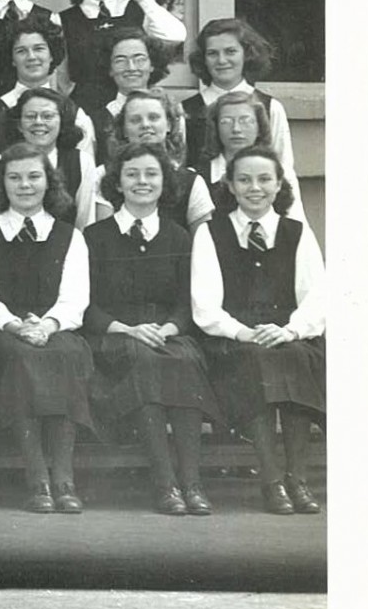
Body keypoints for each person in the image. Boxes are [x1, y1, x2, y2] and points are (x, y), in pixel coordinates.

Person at [84, 142, 220, 515]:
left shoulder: (179, 236)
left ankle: (192, 483)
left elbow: (186, 299)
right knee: (146, 364)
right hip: (114, 338)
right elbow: (86, 304)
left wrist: (172, 327)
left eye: (151, 174)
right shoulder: (95, 237)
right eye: (132, 174)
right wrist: (124, 329)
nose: (141, 181)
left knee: (184, 363)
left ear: (164, 182)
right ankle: (166, 485)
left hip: (168, 333)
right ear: (117, 182)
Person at [192, 147, 327, 516]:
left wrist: (290, 330)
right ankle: (272, 482)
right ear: (231, 186)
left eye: (265, 179)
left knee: (297, 357)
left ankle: (297, 480)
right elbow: (205, 306)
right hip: (234, 342)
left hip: (287, 335)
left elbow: (317, 296)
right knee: (259, 362)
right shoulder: (210, 233)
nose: (255, 187)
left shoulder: (296, 232)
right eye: (245, 180)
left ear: (279, 184)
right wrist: (243, 332)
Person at [0, 142, 96, 514]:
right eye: (15, 177)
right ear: (1, 184)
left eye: (34, 176)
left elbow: (75, 299)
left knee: (68, 353)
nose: (25, 185)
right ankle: (37, 477)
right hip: (1, 333)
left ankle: (64, 477)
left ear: (48, 182)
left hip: (53, 329)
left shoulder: (70, 236)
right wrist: (15, 326)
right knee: (22, 358)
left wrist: (49, 325)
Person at [58, 0, 186, 122]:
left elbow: (176, 35)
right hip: (83, 112)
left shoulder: (140, 11)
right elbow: (61, 78)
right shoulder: (63, 19)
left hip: (135, 110)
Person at [183, 17, 299, 175]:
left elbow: (284, 168)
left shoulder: (270, 107)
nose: (222, 60)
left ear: (247, 54)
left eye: (230, 51)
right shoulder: (186, 110)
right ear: (203, 59)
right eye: (212, 53)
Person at [99, 89, 217, 228]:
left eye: (153, 117)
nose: (145, 125)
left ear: (168, 125)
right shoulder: (102, 175)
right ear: (124, 129)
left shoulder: (192, 182)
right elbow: (102, 234)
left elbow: (202, 241)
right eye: (135, 120)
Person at [201, 91, 308, 224]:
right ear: (215, 128)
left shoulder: (282, 173)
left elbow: (297, 226)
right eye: (226, 122)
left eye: (245, 121)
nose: (236, 129)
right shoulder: (198, 177)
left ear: (259, 127)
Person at [0, 11, 72, 151]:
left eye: (39, 49)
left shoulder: (73, 111)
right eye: (21, 51)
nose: (31, 57)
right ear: (12, 60)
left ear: (52, 55)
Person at [6, 87, 98, 228]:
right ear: (19, 125)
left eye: (47, 116)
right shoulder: (5, 162)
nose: (38, 122)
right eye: (30, 116)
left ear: (61, 122)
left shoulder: (81, 162)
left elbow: (85, 222)